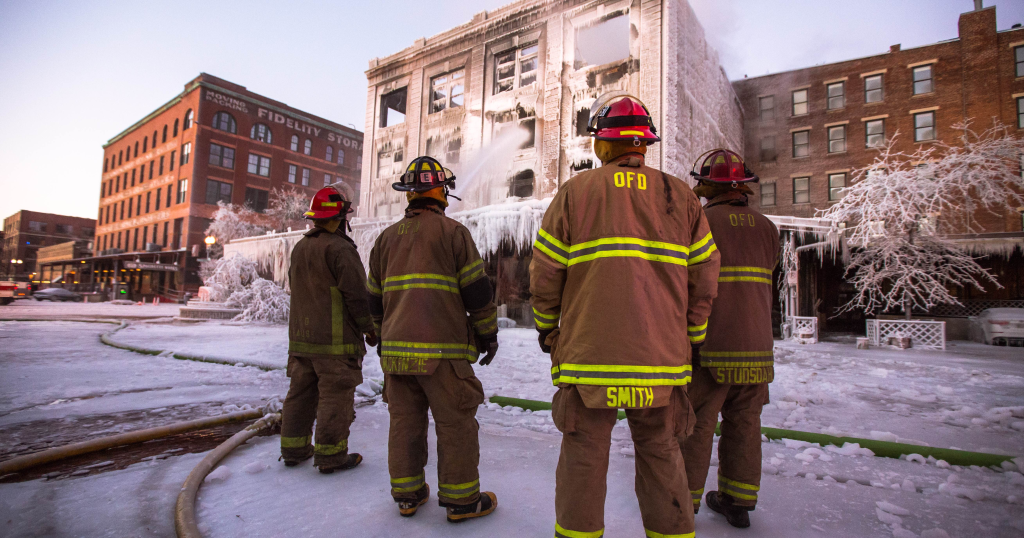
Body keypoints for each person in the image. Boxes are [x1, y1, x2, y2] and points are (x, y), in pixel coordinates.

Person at [530, 93, 720, 538]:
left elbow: (545, 272)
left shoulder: (576, 192)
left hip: (589, 356)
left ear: (604, 142)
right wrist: (692, 334)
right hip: (661, 359)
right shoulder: (680, 195)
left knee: (583, 450)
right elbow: (706, 275)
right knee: (661, 449)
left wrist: (547, 328)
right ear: (644, 143)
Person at [367, 156, 500, 522]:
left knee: (404, 424)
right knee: (456, 423)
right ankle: (462, 501)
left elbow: (373, 299)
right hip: (443, 354)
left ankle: (407, 496)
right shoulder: (453, 233)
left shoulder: (385, 240)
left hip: (396, 356)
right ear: (442, 191)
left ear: (408, 194)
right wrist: (488, 333)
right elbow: (477, 292)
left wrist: (381, 334)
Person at [679, 149, 780, 528]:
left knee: (696, 425)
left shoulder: (700, 222)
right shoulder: (768, 227)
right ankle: (738, 502)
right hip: (757, 348)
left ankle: (682, 503)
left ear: (708, 185)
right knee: (745, 423)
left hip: (711, 345)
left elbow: (686, 281)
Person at [280, 184, 377, 473]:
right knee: (335, 397)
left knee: (299, 395)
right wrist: (370, 328)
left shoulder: (301, 248)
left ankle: (293, 450)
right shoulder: (340, 249)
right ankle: (331, 456)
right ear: (340, 217)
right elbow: (357, 295)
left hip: (301, 341)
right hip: (335, 344)